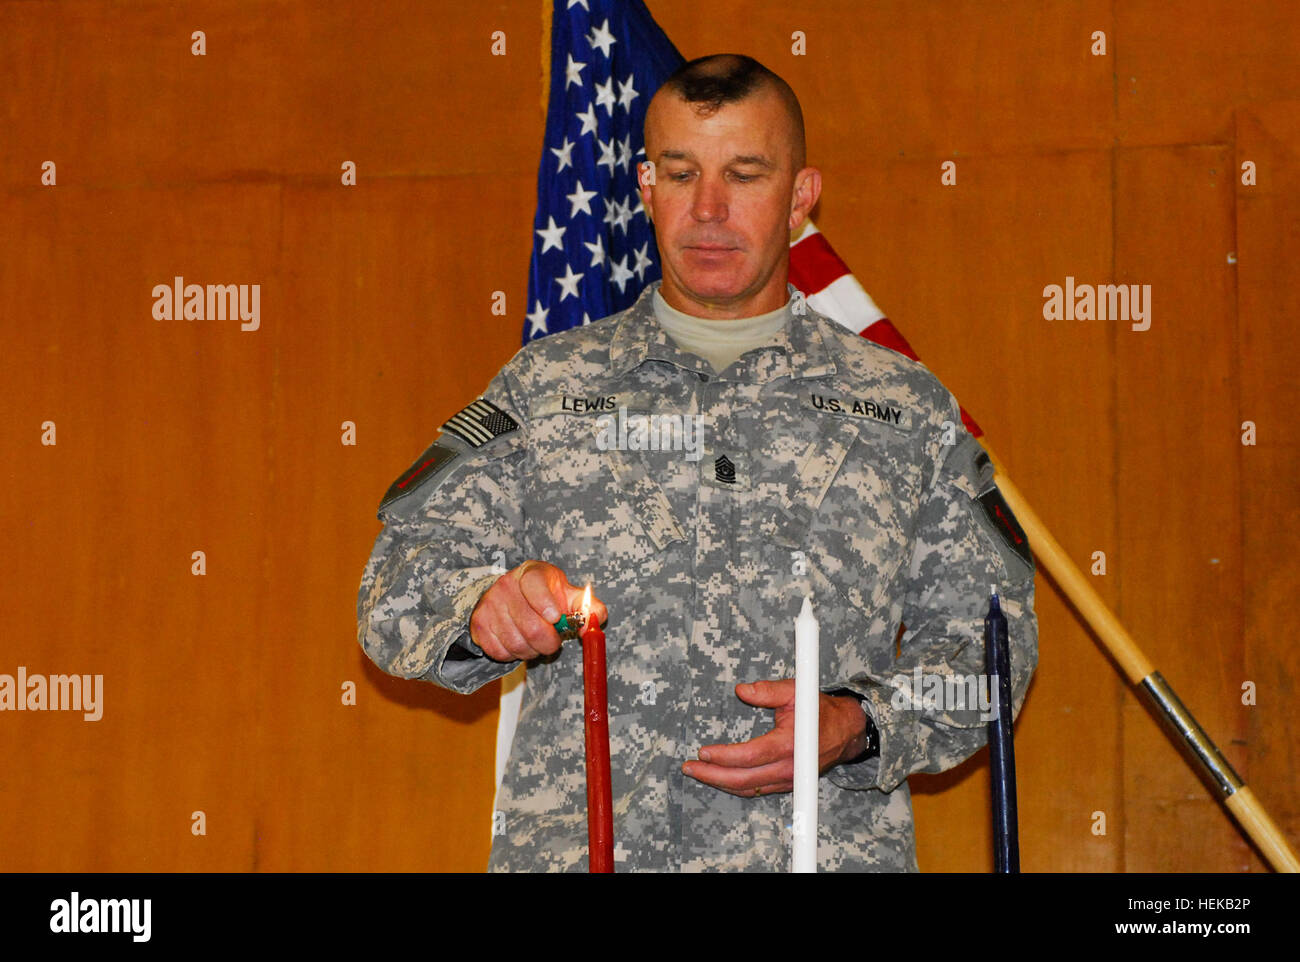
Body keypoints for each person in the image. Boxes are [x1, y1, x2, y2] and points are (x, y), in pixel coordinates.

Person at [357, 53, 1038, 871]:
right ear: (645, 189)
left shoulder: (904, 410)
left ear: (801, 198)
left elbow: (992, 656)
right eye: (680, 174)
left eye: (745, 176)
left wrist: (858, 723)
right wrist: (480, 607)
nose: (709, 210)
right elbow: (393, 587)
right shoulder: (547, 388)